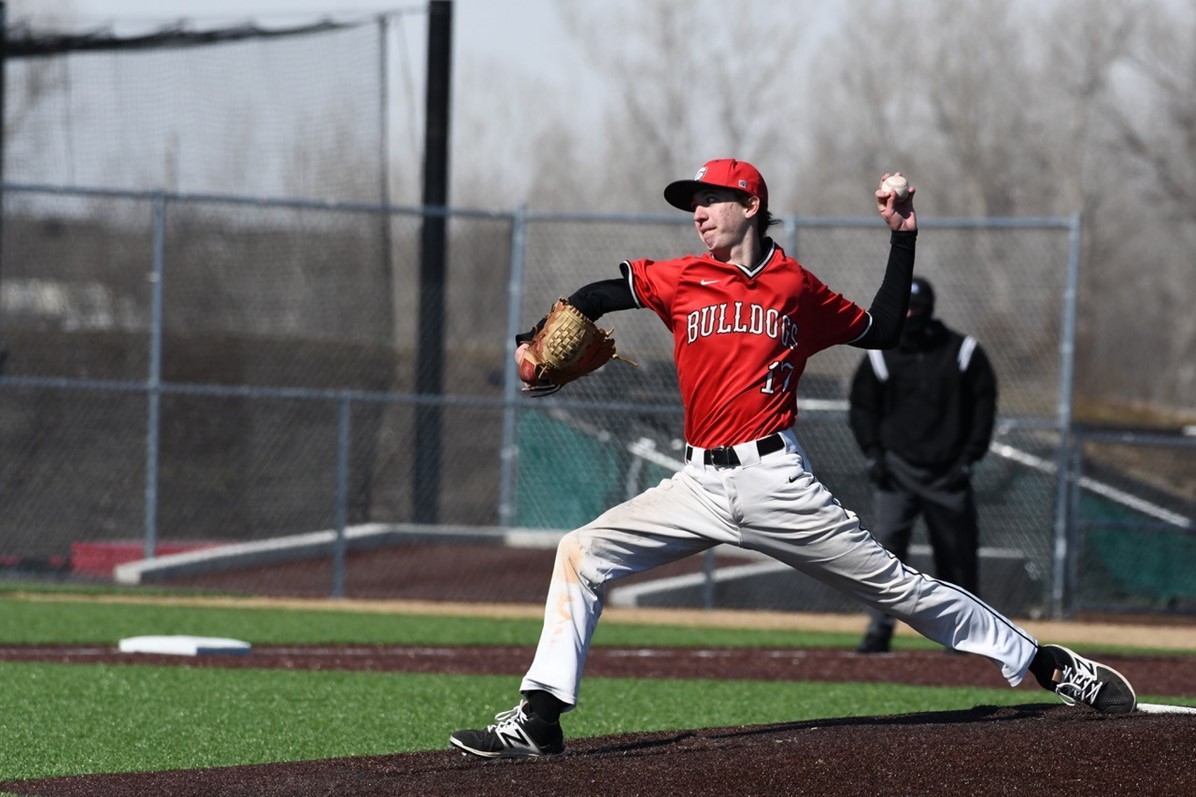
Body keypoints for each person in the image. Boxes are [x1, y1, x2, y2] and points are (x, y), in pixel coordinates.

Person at [449, 159, 1136, 760]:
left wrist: (902, 236)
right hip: (697, 482)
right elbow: (603, 295)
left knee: (898, 589)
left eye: (710, 199)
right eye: (692, 203)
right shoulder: (681, 278)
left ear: (750, 204)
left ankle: (1046, 663)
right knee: (581, 551)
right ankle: (540, 719)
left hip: (775, 480)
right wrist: (534, 334)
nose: (698, 212)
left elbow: (882, 328)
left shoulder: (794, 287)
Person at [848, 276, 998, 653]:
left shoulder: (962, 352)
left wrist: (969, 459)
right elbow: (862, 407)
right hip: (896, 471)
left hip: (948, 472)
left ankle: (965, 632)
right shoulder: (881, 354)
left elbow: (984, 407)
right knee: (884, 556)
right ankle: (880, 628)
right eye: (906, 309)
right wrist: (874, 454)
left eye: (916, 309)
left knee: (957, 554)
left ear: (929, 309)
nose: (910, 316)